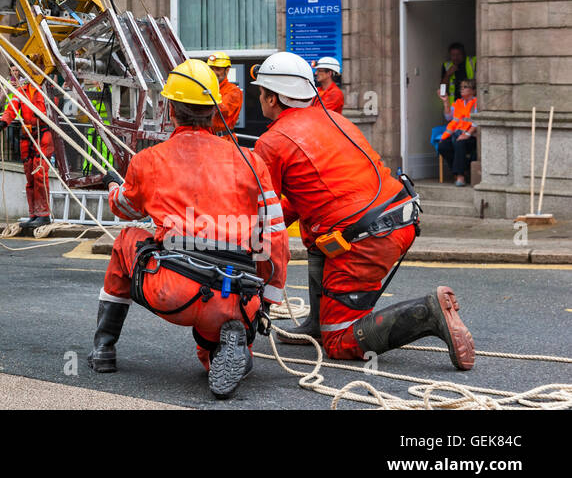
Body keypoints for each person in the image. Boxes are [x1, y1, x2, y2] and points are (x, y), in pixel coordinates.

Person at [251, 51, 474, 369]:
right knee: (317, 234)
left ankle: (428, 312)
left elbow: (267, 220)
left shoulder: (272, 142)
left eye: (260, 92)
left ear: (272, 98)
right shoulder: (334, 119)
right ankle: (318, 321)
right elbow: (305, 198)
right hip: (398, 216)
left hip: (366, 239)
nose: (259, 98)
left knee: (339, 343)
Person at [90, 59, 288, 399]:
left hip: (172, 291)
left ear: (170, 109)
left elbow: (124, 208)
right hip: (232, 295)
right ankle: (230, 346)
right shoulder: (251, 161)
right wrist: (264, 303)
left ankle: (104, 348)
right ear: (215, 111)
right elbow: (274, 237)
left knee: (127, 240)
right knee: (212, 339)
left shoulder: (149, 160)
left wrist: (112, 186)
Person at [0, 63, 53, 232]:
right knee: (30, 177)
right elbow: (12, 108)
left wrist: (40, 113)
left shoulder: (46, 89)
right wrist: (3, 121)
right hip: (28, 137)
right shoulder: (22, 91)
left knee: (40, 174)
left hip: (42, 135)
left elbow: (51, 107)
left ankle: (43, 214)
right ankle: (34, 214)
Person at [437, 80, 478, 187]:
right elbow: (448, 117)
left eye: (465, 87)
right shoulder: (458, 103)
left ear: (473, 90)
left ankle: (460, 176)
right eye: (461, 87)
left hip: (471, 135)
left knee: (460, 144)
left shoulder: (476, 103)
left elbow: (476, 122)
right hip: (457, 134)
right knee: (442, 146)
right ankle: (459, 171)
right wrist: (445, 101)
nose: (461, 89)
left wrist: (467, 134)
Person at [205, 52, 242, 136]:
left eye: (218, 69)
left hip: (224, 139)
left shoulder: (233, 91)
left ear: (227, 70)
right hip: (206, 137)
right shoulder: (205, 88)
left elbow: (222, 109)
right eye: (211, 68)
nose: (213, 72)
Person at [440, 42, 477, 108]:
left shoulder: (472, 62)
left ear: (463, 54)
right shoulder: (447, 66)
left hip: (471, 102)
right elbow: (443, 89)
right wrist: (447, 74)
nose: (456, 57)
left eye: (458, 54)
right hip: (454, 103)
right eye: (453, 55)